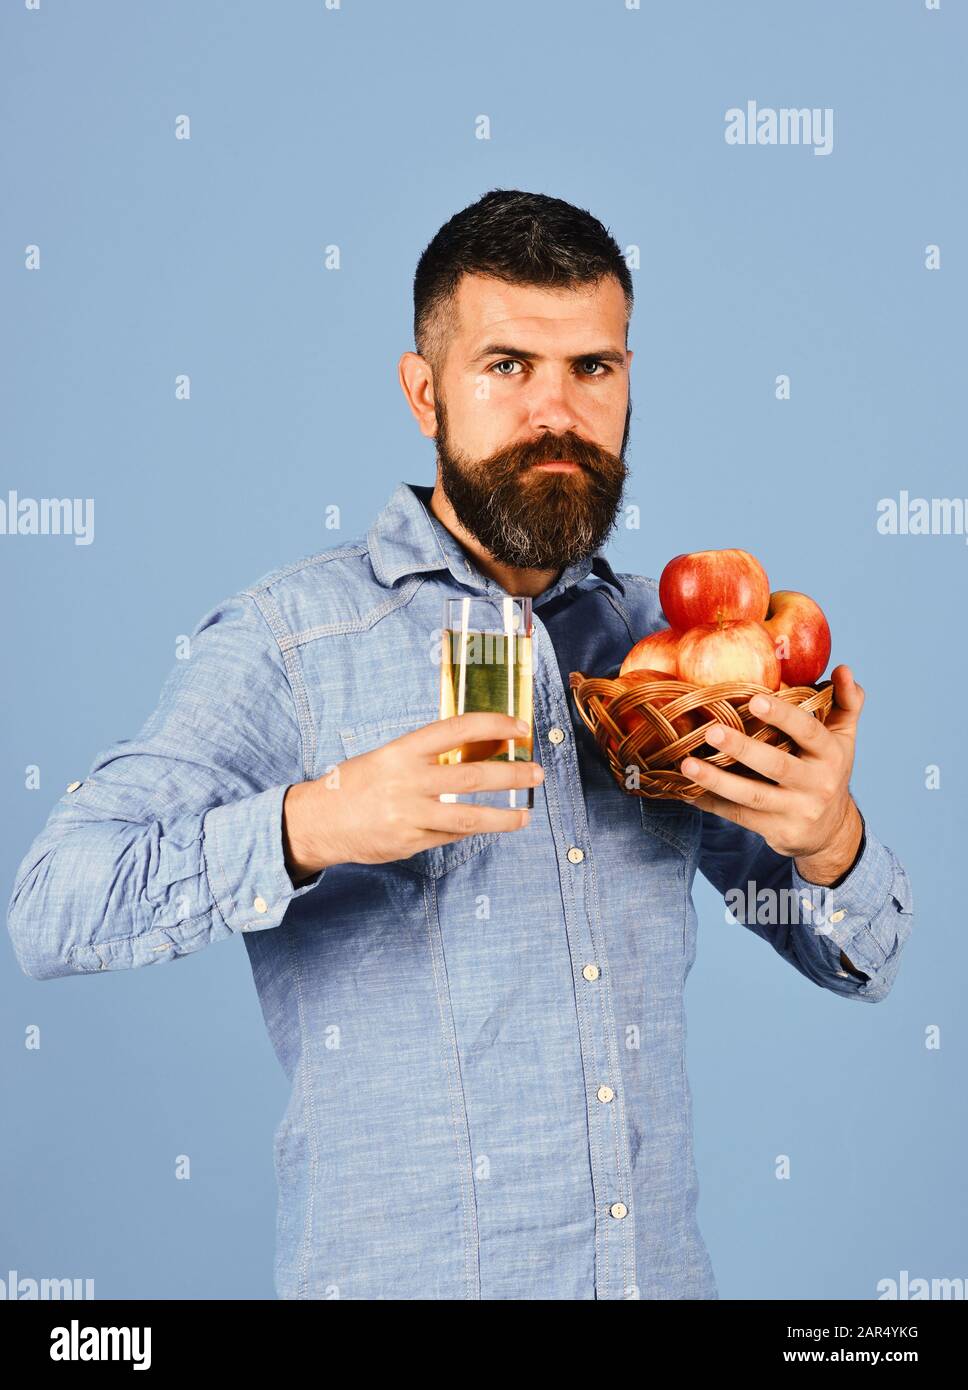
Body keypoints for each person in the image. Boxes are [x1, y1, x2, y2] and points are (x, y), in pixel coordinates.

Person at [6, 189, 915, 1300]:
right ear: (423, 390)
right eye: (505, 367)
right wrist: (315, 822)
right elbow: (50, 909)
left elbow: (859, 959)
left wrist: (828, 842)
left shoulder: (665, 654)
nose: (556, 412)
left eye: (591, 368)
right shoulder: (292, 640)